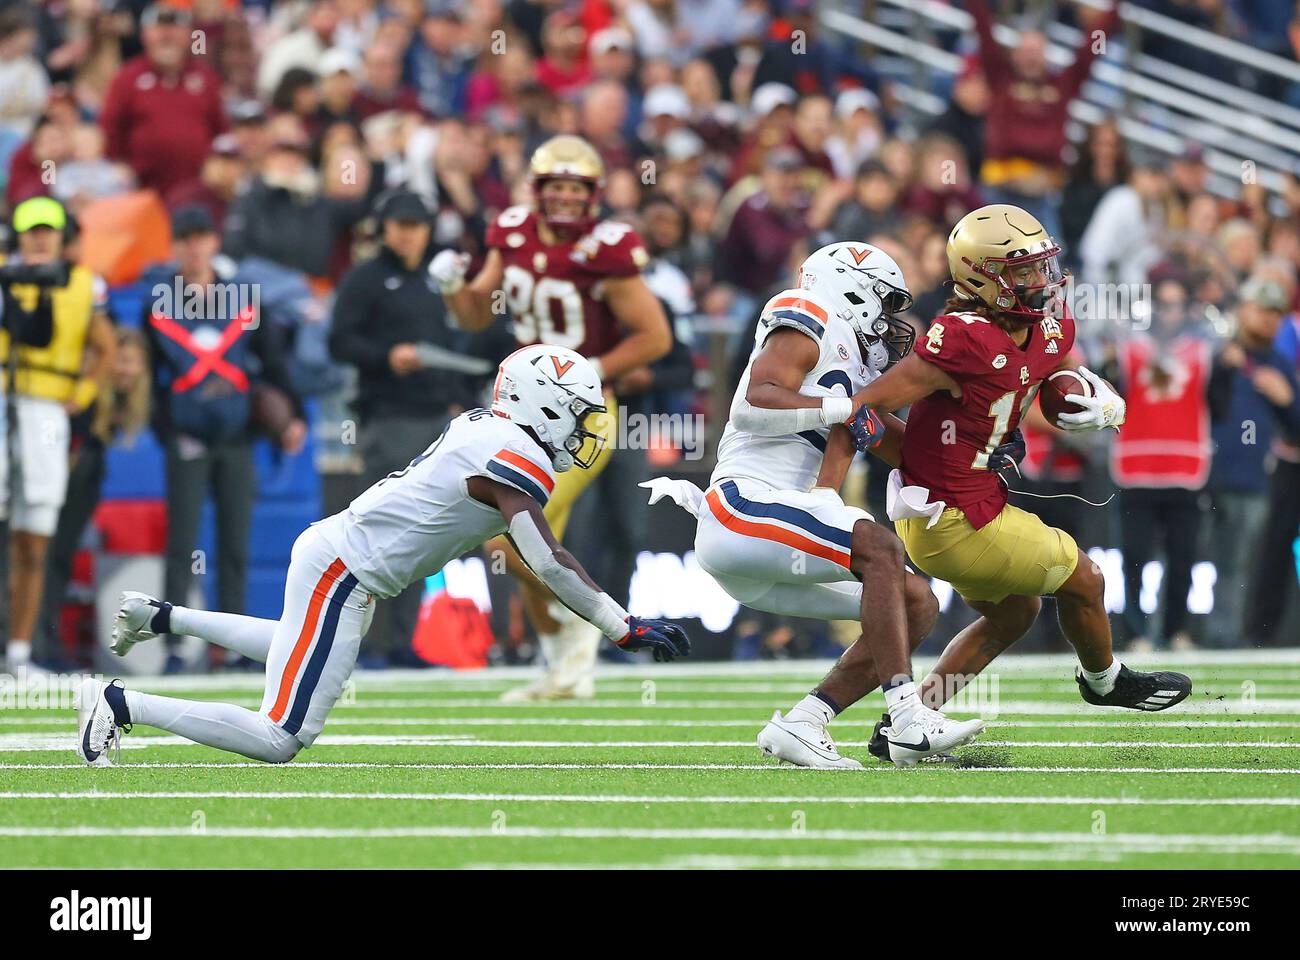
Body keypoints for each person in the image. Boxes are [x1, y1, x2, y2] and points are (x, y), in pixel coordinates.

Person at [76, 347, 691, 766]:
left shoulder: (490, 428)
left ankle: (159, 617)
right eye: (579, 416)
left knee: (300, 649)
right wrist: (621, 625)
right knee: (284, 736)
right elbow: (547, 559)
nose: (585, 432)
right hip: (345, 569)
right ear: (544, 405)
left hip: (339, 556)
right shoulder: (514, 455)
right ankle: (122, 705)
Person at [839, 204, 1191, 756]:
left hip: (971, 503)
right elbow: (861, 410)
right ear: (981, 277)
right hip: (952, 517)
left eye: (1041, 267)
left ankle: (908, 726)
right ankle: (1105, 681)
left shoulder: (1043, 325)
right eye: (1021, 272)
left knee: (1014, 611)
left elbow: (1050, 369)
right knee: (1086, 578)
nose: (1039, 281)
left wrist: (1087, 390)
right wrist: (918, 457)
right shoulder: (960, 341)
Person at [645, 241, 986, 768]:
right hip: (743, 506)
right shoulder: (810, 314)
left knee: (915, 601)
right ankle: (908, 717)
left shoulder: (853, 369)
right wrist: (846, 409)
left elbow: (904, 448)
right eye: (888, 304)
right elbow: (754, 402)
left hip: (772, 540)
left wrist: (981, 452)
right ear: (854, 290)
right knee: (877, 544)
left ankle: (805, 722)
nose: (894, 322)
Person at [430, 134, 671, 701]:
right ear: (538, 191)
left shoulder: (606, 250)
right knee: (514, 544)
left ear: (591, 195)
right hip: (519, 413)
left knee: (513, 538)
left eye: (575, 188)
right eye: (555, 187)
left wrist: (582, 371)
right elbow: (471, 316)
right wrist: (450, 287)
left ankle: (573, 647)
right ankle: (566, 649)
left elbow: (655, 336)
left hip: (585, 415)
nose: (564, 198)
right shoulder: (511, 234)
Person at [143, 205, 307, 673]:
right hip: (188, 436)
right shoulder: (161, 302)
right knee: (184, 543)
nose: (194, 247)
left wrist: (290, 415)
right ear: (175, 246)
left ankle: (233, 645)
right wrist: (169, 432)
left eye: (201, 237)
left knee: (236, 541)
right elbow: (150, 381)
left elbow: (271, 361)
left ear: (214, 242)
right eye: (185, 238)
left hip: (237, 434)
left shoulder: (244, 300)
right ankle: (174, 646)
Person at [328, 189, 478, 667]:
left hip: (438, 421)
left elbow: (462, 337)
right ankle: (370, 643)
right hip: (388, 416)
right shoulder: (366, 279)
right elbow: (338, 341)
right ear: (385, 229)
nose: (408, 233)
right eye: (400, 225)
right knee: (378, 531)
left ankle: (404, 642)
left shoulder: (440, 281)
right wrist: (386, 358)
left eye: (416, 225)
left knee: (423, 537)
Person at [0, 196, 114, 673]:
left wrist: (81, 395)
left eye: (48, 229)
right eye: (32, 230)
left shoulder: (85, 284)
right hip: (2, 395)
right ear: (19, 235)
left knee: (36, 532)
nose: (40, 238)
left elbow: (105, 349)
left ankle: (19, 652)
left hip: (48, 405)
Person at [34, 326, 151, 668]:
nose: (126, 370)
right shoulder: (85, 398)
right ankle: (35, 642)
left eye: (134, 363)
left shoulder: (117, 401)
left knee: (60, 556)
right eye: (122, 361)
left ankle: (45, 641)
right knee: (45, 555)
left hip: (83, 478)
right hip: (62, 478)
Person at [1206, 278, 1300, 646]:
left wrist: (1286, 398)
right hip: (1206, 473)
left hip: (1255, 478)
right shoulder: (1216, 352)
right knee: (1198, 558)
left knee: (1243, 565)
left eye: (1275, 313)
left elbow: (1296, 426)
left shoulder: (1277, 362)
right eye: (1262, 309)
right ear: (1243, 308)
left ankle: (1232, 637)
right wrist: (1223, 369)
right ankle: (1177, 634)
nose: (1268, 320)